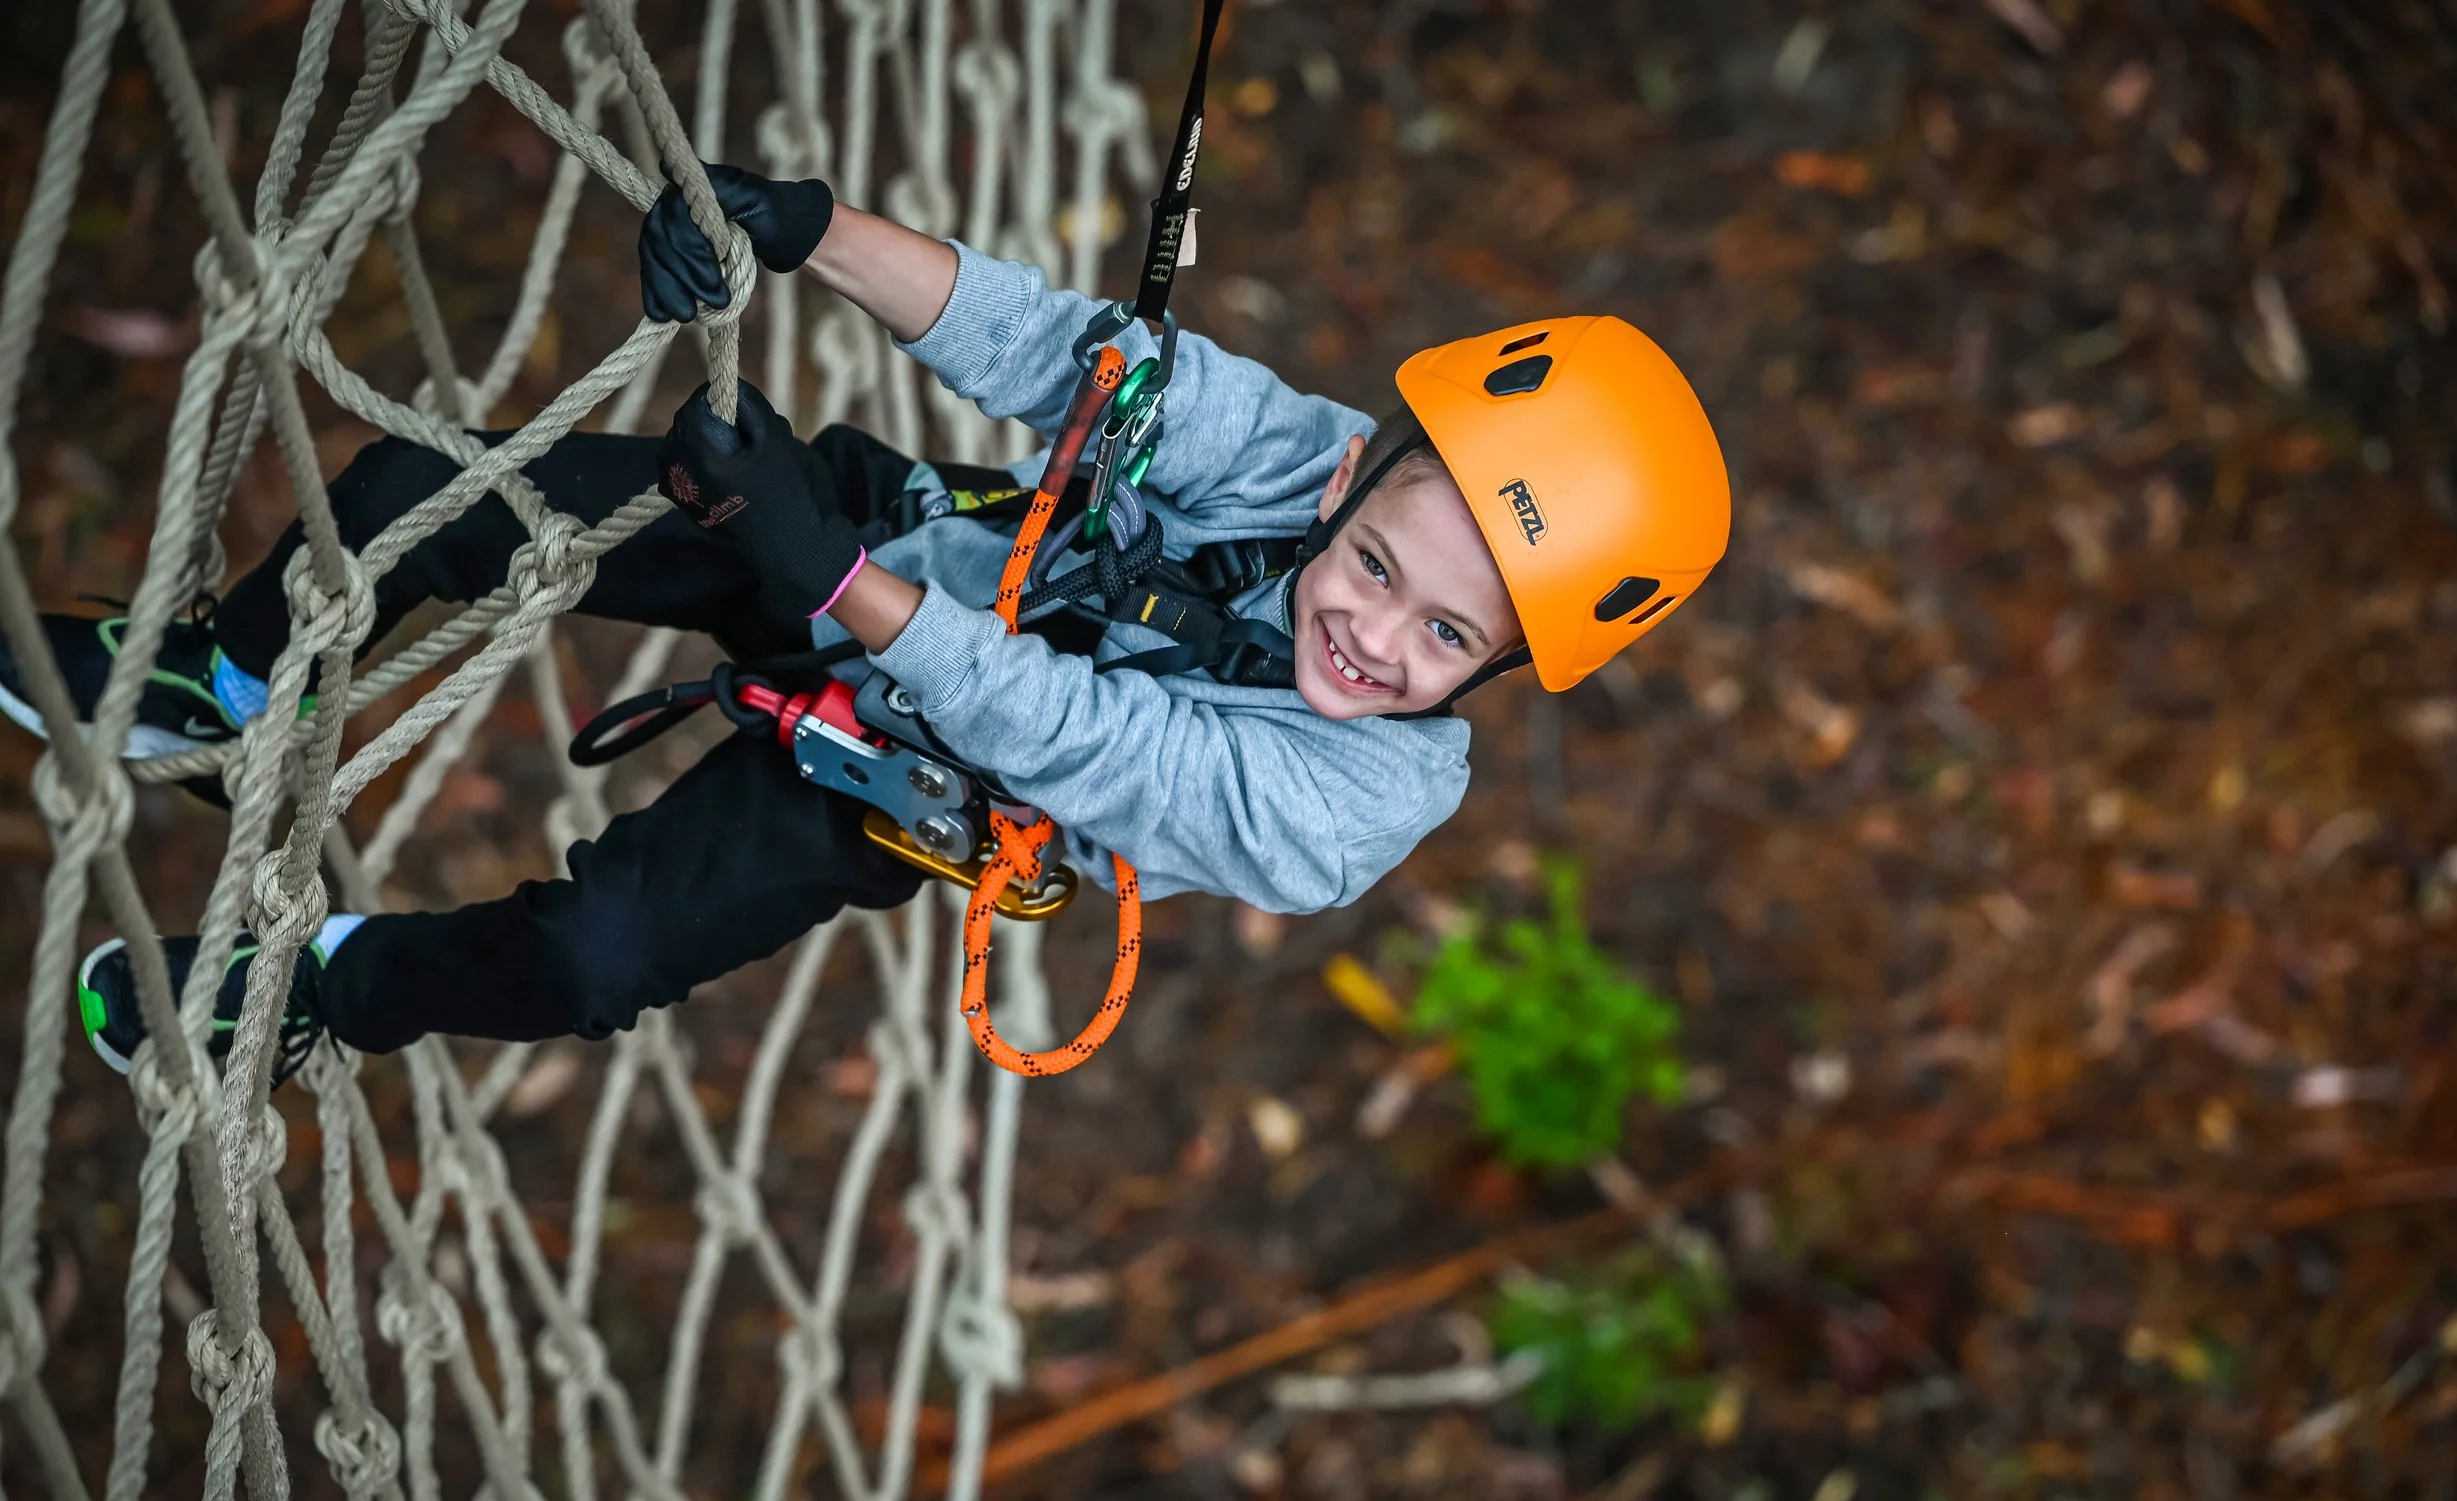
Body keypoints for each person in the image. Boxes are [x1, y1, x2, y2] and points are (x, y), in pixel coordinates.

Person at [0, 166, 1730, 1084]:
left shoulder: (1355, 808)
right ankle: (222, 684)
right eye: (1373, 564)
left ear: (1500, 677)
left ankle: (327, 987)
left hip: (893, 769)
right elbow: (1081, 364)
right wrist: (807, 229)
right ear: (1371, 471)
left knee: (592, 957)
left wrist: (821, 574)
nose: (1372, 635)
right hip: (894, 543)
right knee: (410, 500)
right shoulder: (1310, 456)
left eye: (1443, 642)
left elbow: (1083, 737)